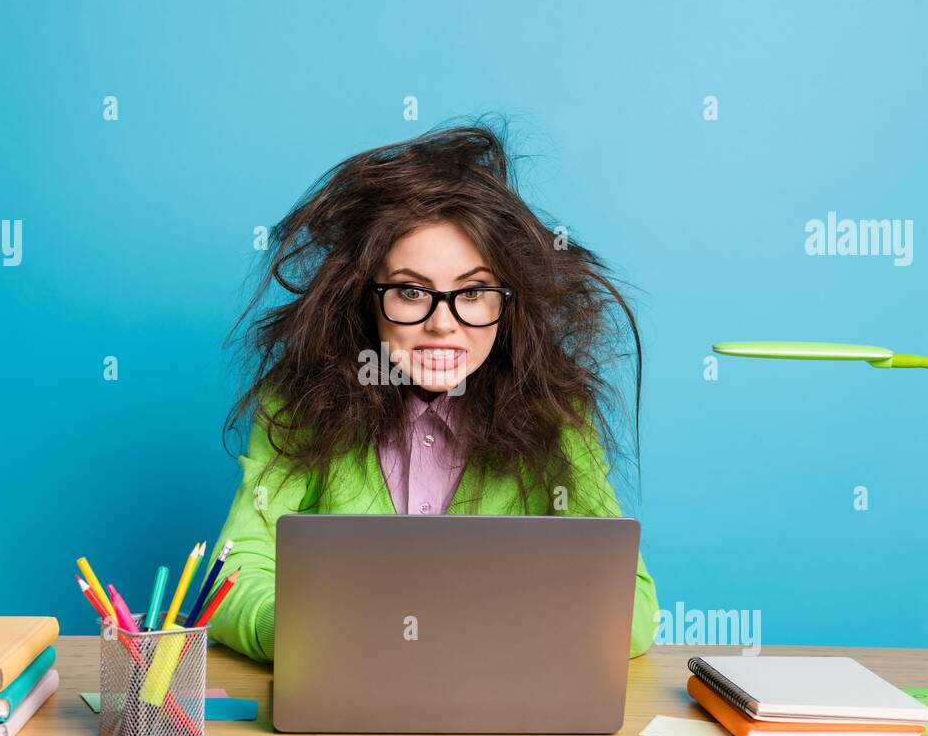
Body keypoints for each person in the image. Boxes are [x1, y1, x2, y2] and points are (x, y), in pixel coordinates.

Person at [204, 120, 658, 662]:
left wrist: (498, 634)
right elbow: (233, 571)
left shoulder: (556, 415)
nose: (443, 325)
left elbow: (634, 606)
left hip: (499, 707)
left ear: (506, 302)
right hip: (347, 694)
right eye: (411, 291)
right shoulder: (299, 403)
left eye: (473, 292)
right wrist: (301, 630)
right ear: (364, 298)